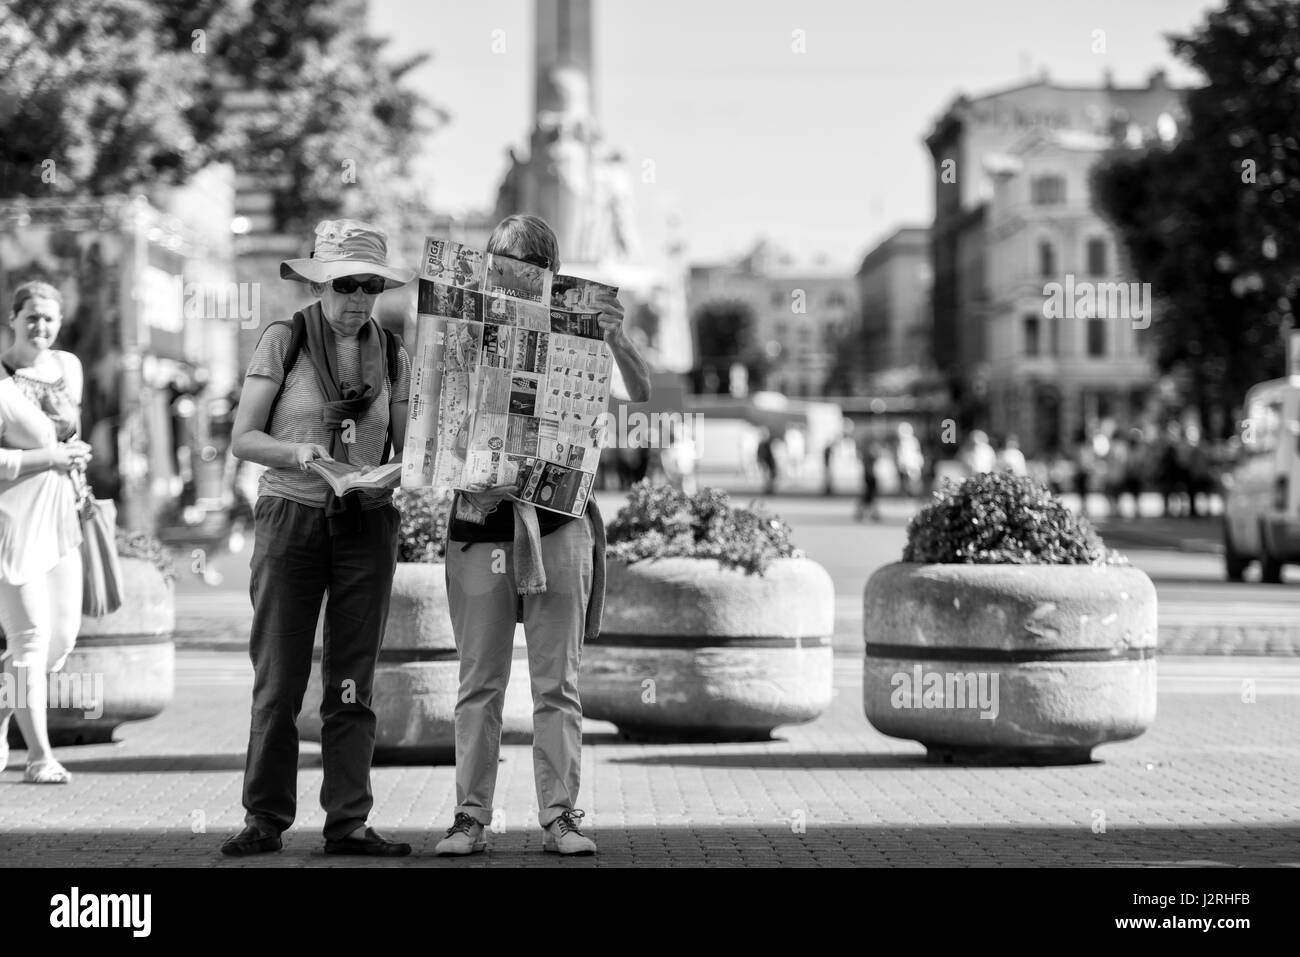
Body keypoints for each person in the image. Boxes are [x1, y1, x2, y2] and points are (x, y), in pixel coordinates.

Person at [433, 214, 651, 857]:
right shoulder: (463, 327)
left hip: (558, 522)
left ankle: (560, 817)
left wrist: (620, 340)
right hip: (479, 526)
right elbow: (434, 422)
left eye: (528, 268)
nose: (514, 277)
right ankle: (470, 817)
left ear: (550, 273)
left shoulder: (583, 326)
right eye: (503, 264)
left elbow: (639, 393)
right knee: (480, 683)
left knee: (558, 685)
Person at [220, 219, 415, 857]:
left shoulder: (393, 351)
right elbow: (244, 439)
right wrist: (297, 452)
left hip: (366, 521)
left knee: (353, 681)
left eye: (370, 286)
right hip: (292, 519)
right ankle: (265, 819)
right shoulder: (285, 338)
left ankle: (349, 823)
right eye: (345, 285)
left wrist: (404, 470)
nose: (358, 298)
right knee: (279, 679)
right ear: (320, 283)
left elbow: (412, 447)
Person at [0, 281, 92, 785]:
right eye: (31, 317)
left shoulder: (68, 367)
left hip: (61, 517)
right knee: (30, 640)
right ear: (13, 318)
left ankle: (1, 713)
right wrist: (46, 458)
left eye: (49, 319)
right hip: (10, 526)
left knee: (58, 644)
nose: (40, 326)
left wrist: (74, 454)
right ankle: (39, 756)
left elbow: (67, 431)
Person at [855, 437, 882, 522]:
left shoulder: (864, 453)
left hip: (868, 476)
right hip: (870, 476)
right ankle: (872, 513)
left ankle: (867, 513)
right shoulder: (868, 453)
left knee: (868, 496)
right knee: (869, 496)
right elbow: (875, 457)